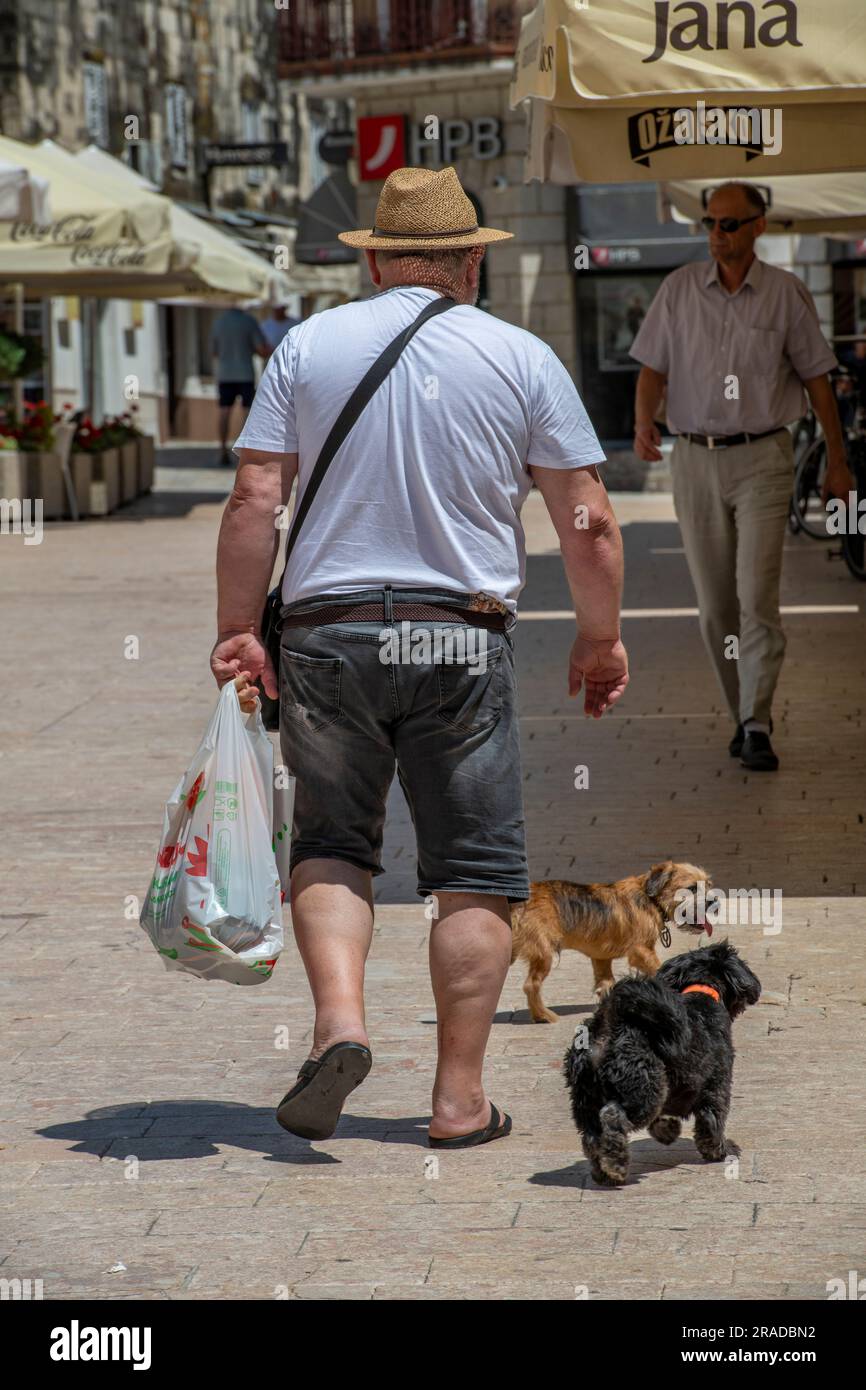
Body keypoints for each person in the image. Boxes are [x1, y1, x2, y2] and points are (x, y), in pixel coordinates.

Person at [209, 165, 628, 1148]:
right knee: (473, 868)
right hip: (459, 633)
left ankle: (340, 1026)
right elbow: (590, 520)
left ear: (375, 265)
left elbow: (254, 498)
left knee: (331, 842)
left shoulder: (307, 346)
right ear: (471, 262)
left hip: (327, 634)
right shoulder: (519, 355)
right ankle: (457, 1101)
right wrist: (599, 636)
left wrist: (238, 628)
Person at [631, 182, 852, 772]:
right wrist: (643, 422)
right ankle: (741, 714)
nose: (717, 233)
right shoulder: (679, 289)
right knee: (715, 609)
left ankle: (756, 721)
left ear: (759, 226)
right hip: (694, 459)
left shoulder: (785, 293)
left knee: (756, 598)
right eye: (710, 222)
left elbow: (817, 379)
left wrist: (838, 460)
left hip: (763, 458)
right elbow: (652, 368)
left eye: (729, 224)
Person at [210, 305, 271, 466]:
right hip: (245, 373)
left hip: (225, 374)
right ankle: (245, 452)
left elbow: (214, 352)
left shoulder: (218, 322)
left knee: (224, 412)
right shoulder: (249, 321)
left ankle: (222, 449)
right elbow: (261, 349)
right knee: (247, 412)